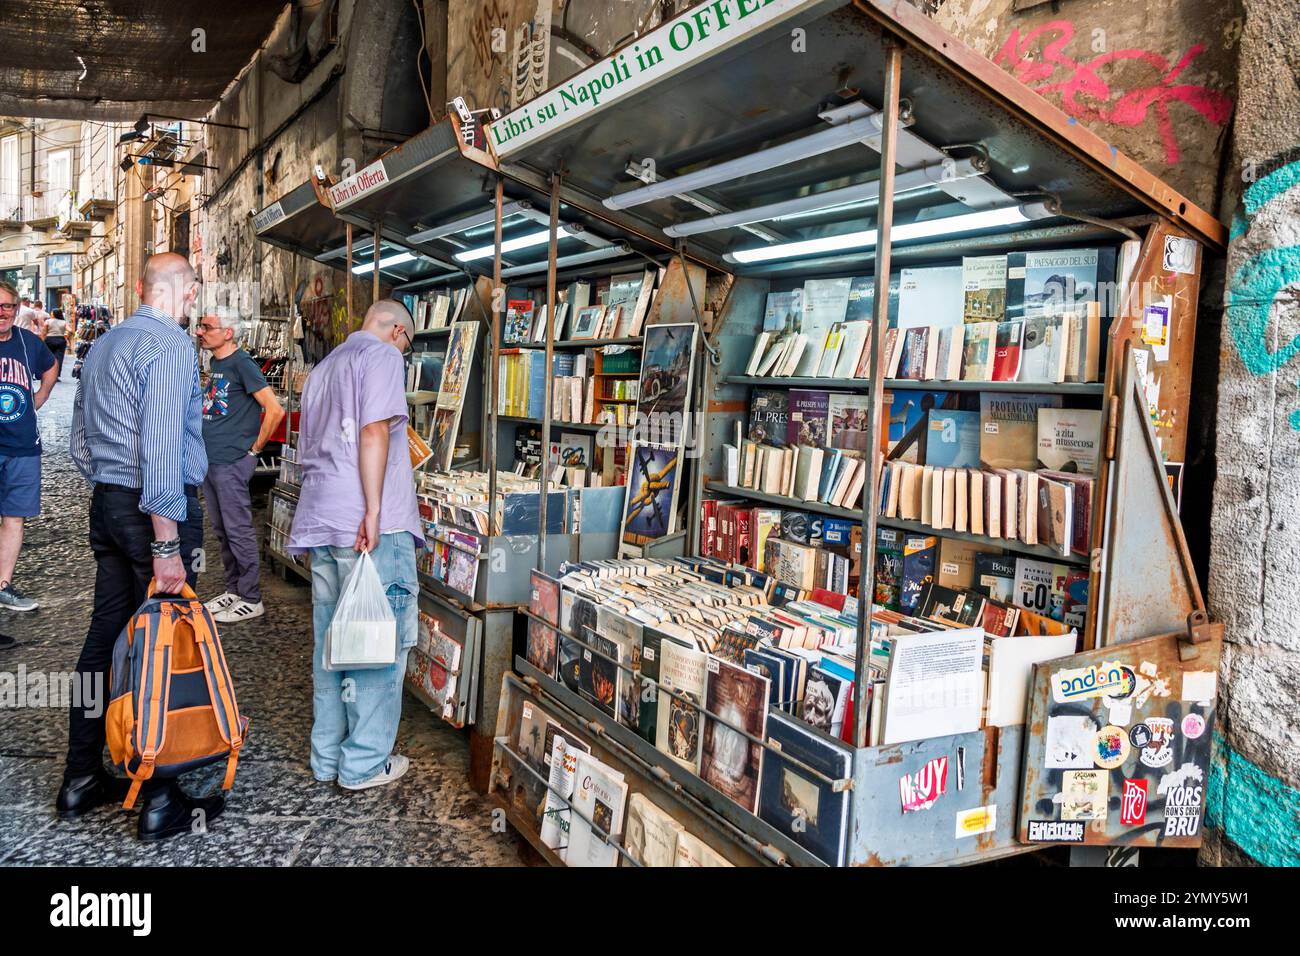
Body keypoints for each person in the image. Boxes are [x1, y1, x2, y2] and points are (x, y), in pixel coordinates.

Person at [63, 252, 220, 841]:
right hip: (152, 510)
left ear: (140, 288)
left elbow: (80, 440)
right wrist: (165, 545)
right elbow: (160, 448)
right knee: (161, 645)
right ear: (185, 292)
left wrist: (112, 493)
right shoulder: (171, 346)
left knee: (104, 639)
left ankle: (81, 775)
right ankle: (159, 795)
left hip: (108, 501)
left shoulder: (104, 344)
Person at [288, 299, 421, 791]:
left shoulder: (323, 368)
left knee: (333, 641)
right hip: (367, 527)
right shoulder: (383, 357)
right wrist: (373, 507)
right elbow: (373, 432)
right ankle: (364, 763)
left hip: (321, 520)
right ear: (397, 333)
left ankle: (326, 756)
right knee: (375, 643)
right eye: (408, 344)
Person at [196, 306, 284, 623]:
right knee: (222, 530)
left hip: (232, 461)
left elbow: (274, 410)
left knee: (238, 530)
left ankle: (251, 596)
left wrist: (253, 452)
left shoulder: (243, 363)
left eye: (207, 326)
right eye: (200, 325)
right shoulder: (216, 362)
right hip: (212, 460)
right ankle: (233, 590)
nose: (200, 331)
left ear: (228, 332)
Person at [0, 281, 57, 614]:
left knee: (14, 517)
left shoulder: (27, 343)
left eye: (9, 306)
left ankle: (3, 586)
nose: (4, 313)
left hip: (23, 445)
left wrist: (43, 395)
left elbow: (49, 368)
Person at [44, 308, 68, 379]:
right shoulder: (64, 322)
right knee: (59, 358)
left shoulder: (48, 321)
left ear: (54, 314)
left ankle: (48, 374)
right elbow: (70, 331)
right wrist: (66, 336)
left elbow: (44, 332)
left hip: (49, 340)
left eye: (52, 312)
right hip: (60, 340)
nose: (51, 314)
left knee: (48, 357)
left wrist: (42, 340)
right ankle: (56, 375)